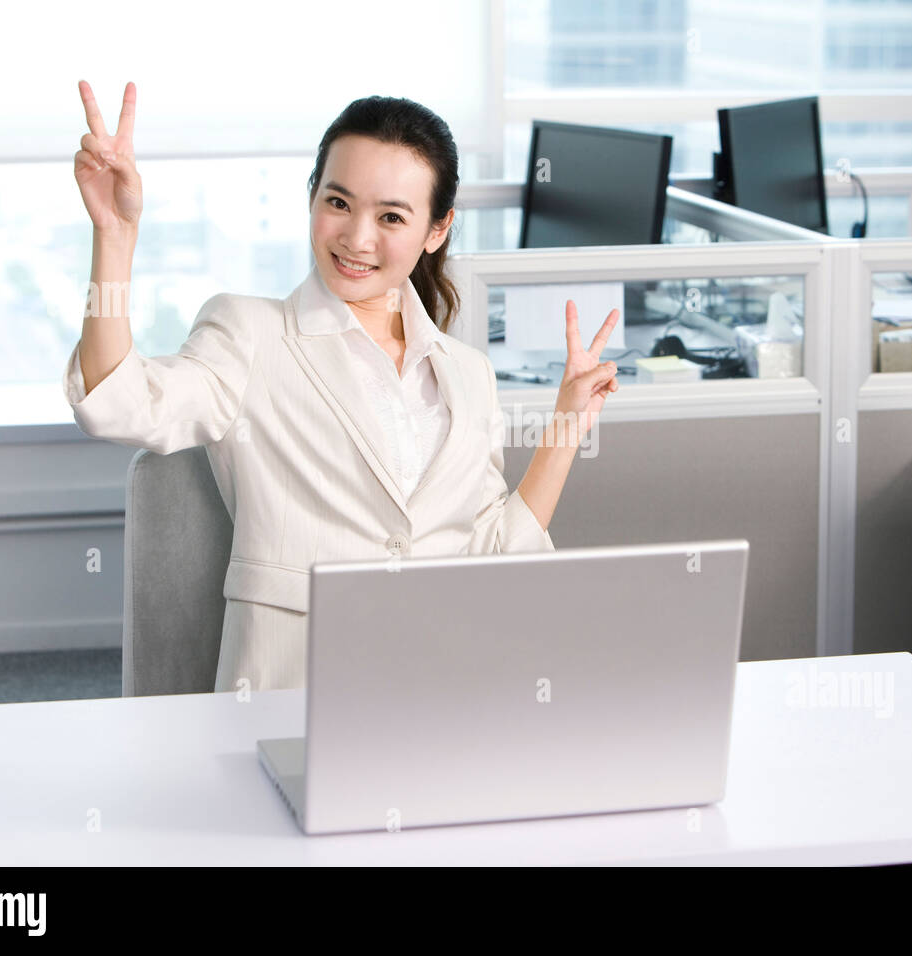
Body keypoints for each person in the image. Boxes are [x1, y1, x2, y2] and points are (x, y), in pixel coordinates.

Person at [63, 81, 620, 693]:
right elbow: (119, 404)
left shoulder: (468, 373)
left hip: (447, 688)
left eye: (390, 217)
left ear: (437, 229)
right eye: (338, 202)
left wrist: (566, 424)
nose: (356, 238)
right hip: (296, 696)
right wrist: (113, 238)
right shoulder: (251, 332)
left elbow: (493, 552)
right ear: (311, 199)